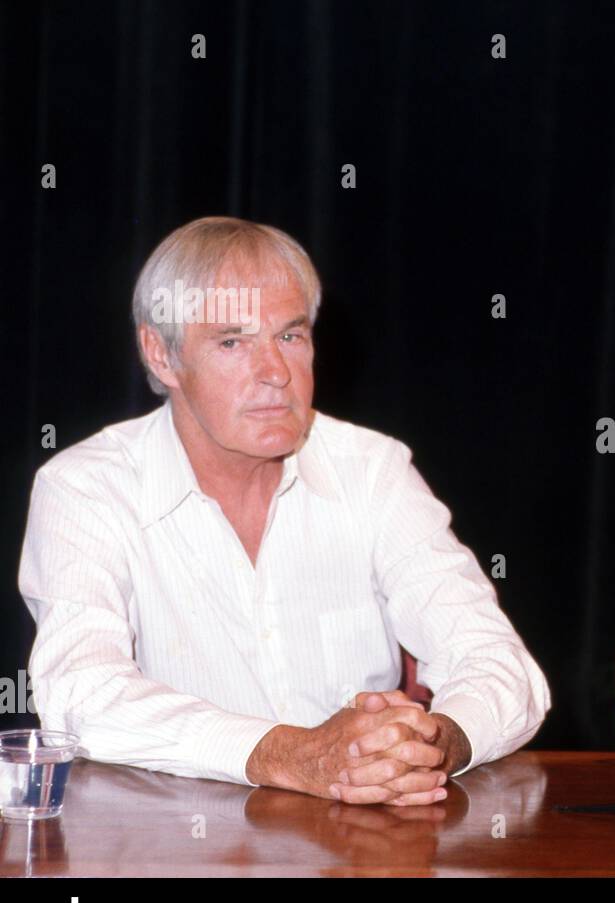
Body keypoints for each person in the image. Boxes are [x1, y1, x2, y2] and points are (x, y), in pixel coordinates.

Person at [19, 216, 551, 806]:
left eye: (291, 336)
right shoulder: (86, 488)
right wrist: (289, 754)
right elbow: (81, 693)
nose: (275, 373)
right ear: (161, 354)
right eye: (233, 341)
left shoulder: (372, 469)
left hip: (359, 848)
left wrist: (431, 743)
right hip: (173, 850)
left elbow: (500, 664)